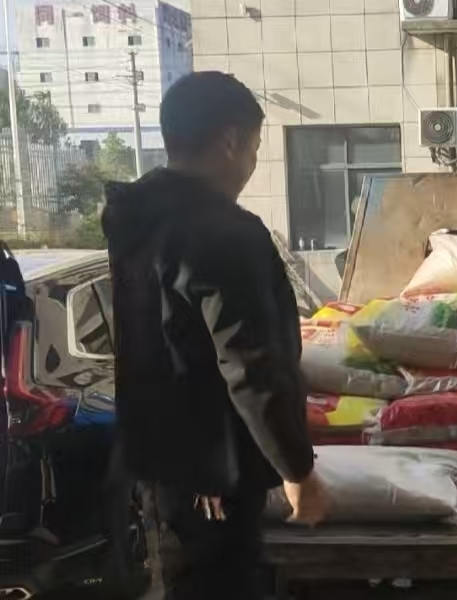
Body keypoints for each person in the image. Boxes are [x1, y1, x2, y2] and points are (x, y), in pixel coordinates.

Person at [103, 71, 327, 600]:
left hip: (160, 462)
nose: (251, 163)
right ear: (229, 141)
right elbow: (250, 363)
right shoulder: (223, 232)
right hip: (215, 473)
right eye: (254, 147)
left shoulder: (135, 217)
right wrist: (297, 469)